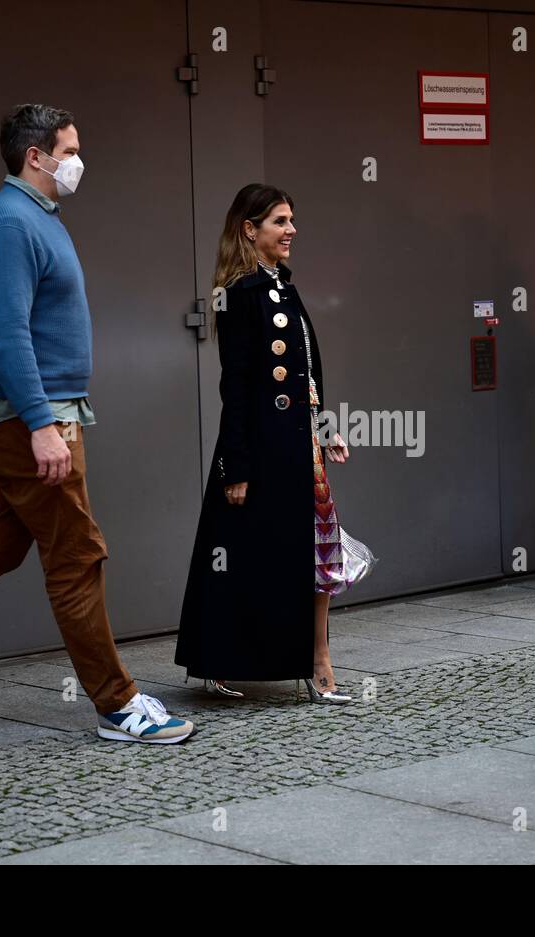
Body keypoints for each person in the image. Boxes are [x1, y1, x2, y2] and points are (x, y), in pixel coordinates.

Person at [0, 104, 193, 744]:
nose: (79, 161)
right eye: (71, 149)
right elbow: (5, 335)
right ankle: (117, 705)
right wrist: (41, 424)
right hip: (35, 420)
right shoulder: (7, 223)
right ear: (36, 156)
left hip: (43, 414)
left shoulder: (36, 218)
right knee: (77, 554)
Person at [176, 183, 373, 704]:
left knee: (311, 554)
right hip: (259, 452)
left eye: (291, 220)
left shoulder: (283, 287)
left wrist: (325, 428)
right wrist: (236, 466)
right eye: (280, 221)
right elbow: (235, 386)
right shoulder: (242, 293)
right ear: (250, 229)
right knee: (240, 557)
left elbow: (305, 371)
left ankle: (317, 662)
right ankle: (220, 659)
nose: (291, 230)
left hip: (297, 448)